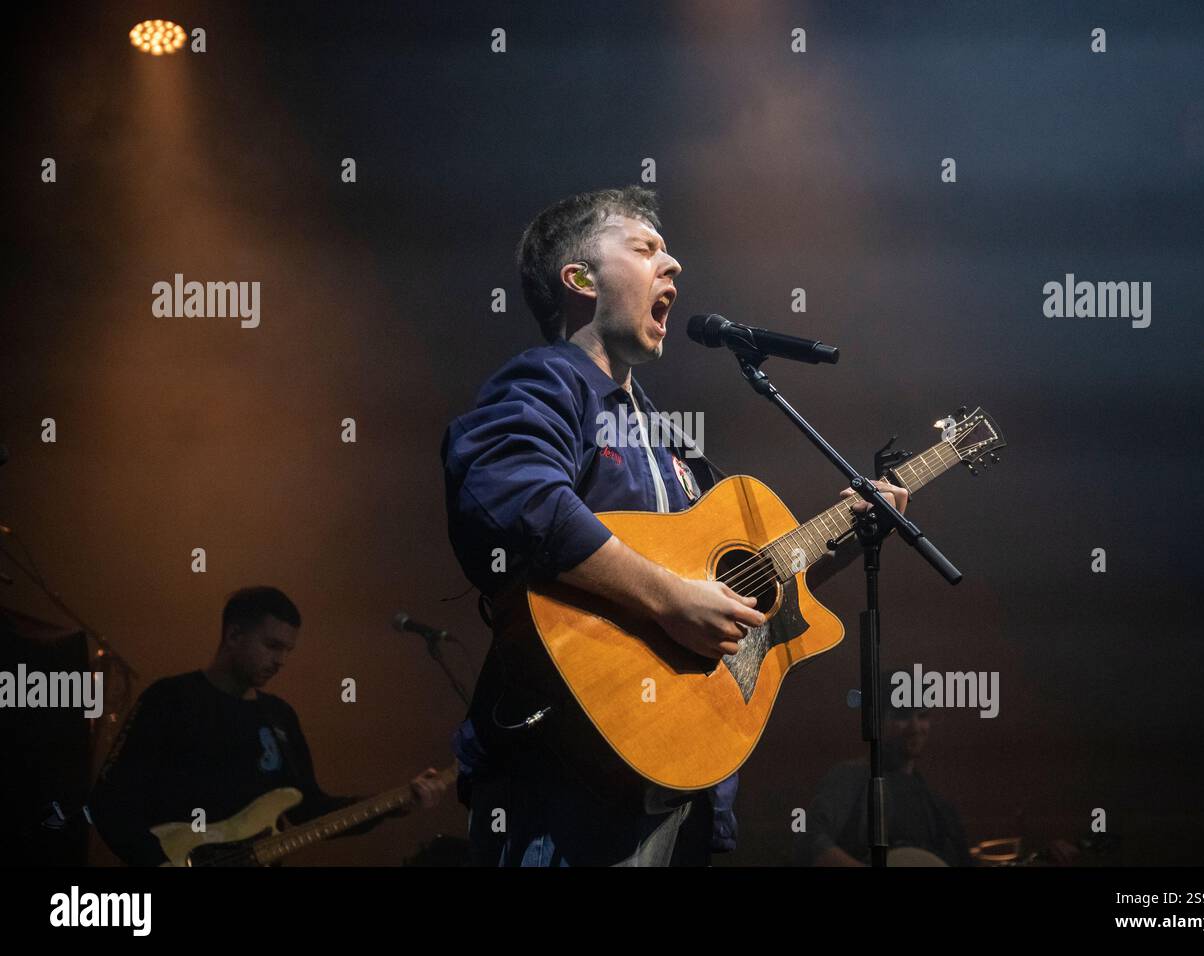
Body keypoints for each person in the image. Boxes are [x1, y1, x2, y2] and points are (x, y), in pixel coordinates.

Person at [442, 185, 909, 866]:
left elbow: (742, 586)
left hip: (678, 779)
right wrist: (668, 599)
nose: (675, 265)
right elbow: (512, 499)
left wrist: (846, 537)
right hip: (569, 773)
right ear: (578, 279)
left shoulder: (670, 444)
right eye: (645, 247)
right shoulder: (548, 381)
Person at [89, 586, 443, 865]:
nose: (280, 661)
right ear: (234, 635)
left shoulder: (279, 717)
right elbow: (109, 799)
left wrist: (394, 803)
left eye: (288, 650)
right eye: (272, 645)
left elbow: (310, 809)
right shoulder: (170, 698)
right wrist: (158, 862)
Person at [794, 696, 973, 866]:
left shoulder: (937, 804)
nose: (915, 727)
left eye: (922, 716)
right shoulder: (850, 778)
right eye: (902, 716)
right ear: (878, 721)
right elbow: (810, 839)